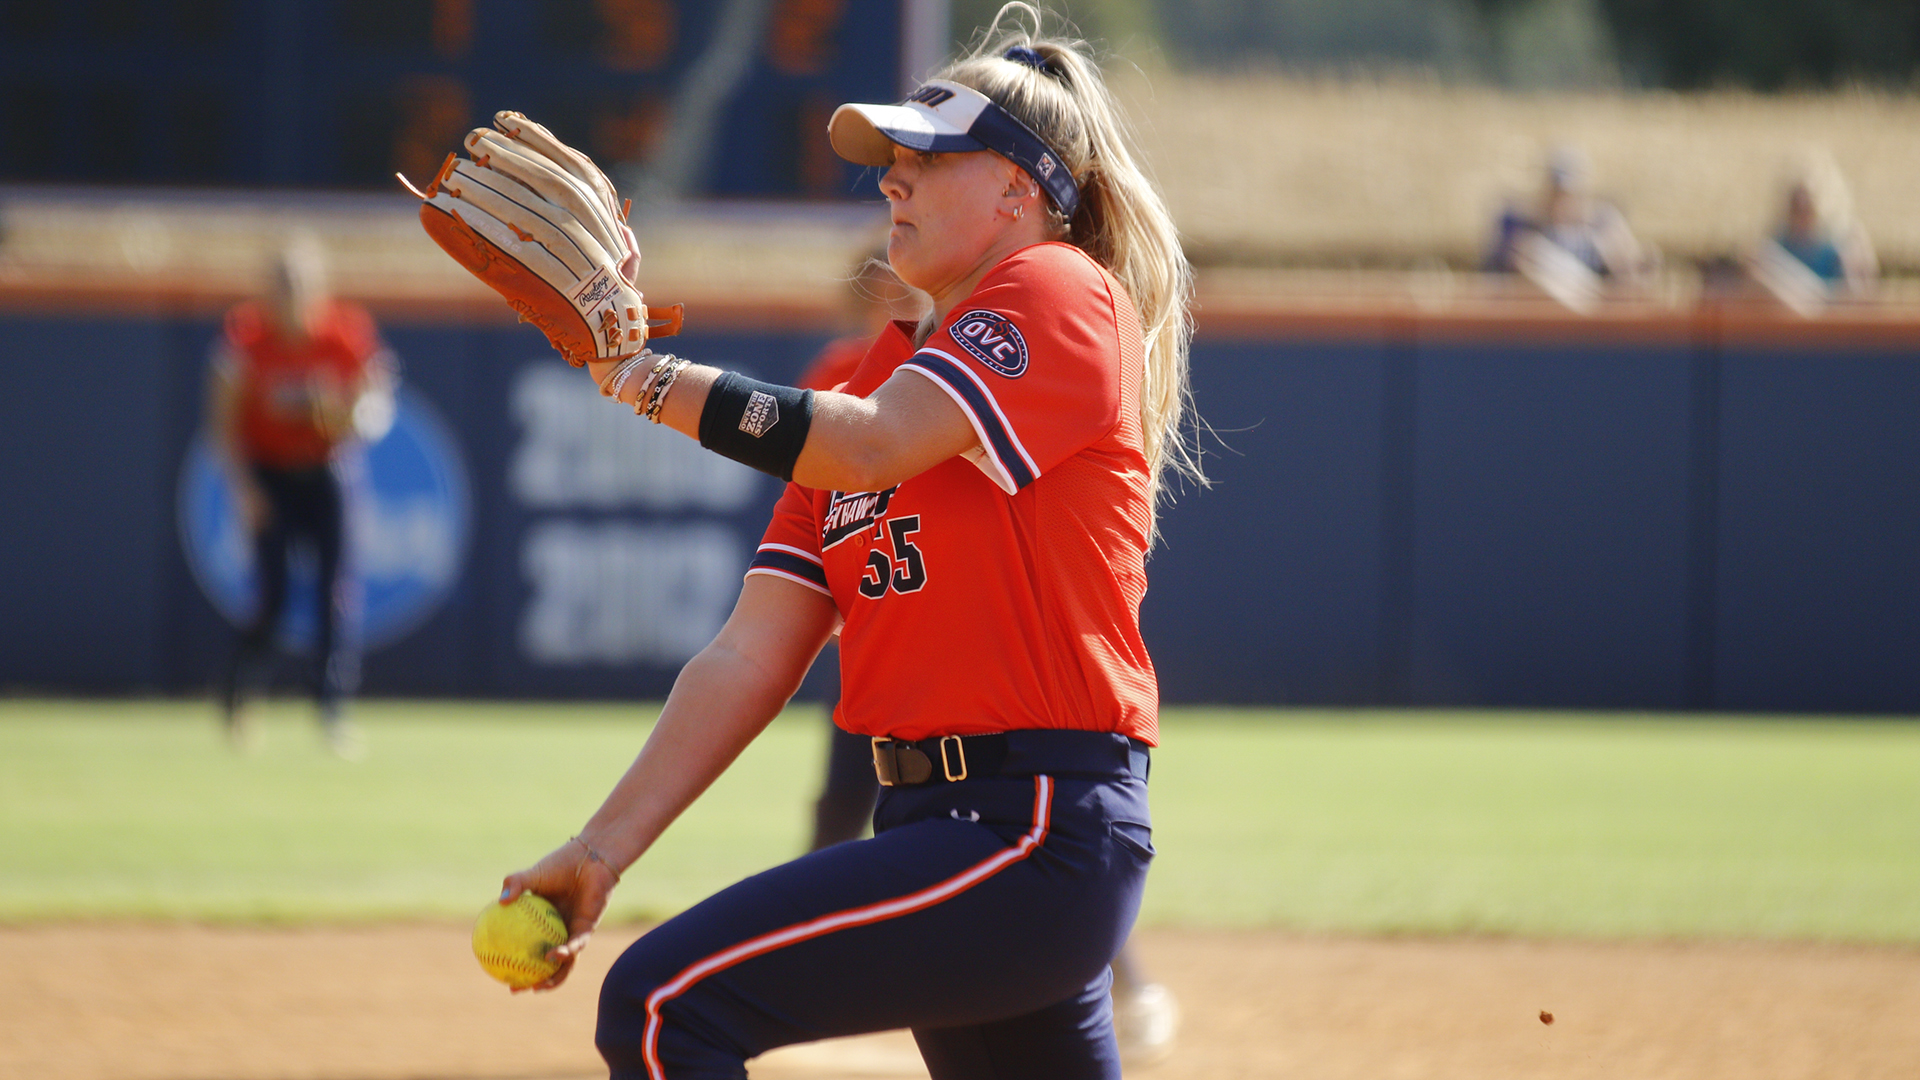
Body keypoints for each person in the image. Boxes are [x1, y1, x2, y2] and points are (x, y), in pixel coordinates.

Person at [493, 6, 1200, 1078]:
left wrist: (641, 377)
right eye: (889, 161)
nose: (891, 183)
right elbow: (748, 655)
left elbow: (874, 450)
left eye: (924, 157)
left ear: (1021, 192)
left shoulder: (1061, 292)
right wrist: (601, 852)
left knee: (661, 1007)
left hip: (1029, 829)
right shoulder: (852, 387)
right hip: (939, 828)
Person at [796, 253, 1183, 1065]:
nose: (903, 299)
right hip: (882, 665)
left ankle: (1127, 977)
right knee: (844, 805)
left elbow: (891, 450)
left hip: (1002, 685)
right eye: (887, 289)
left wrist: (645, 378)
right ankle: (819, 957)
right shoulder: (843, 373)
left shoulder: (1008, 341)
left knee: (1046, 865)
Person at [210, 235, 394, 759]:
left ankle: (331, 709)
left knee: (334, 593)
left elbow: (374, 403)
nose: (289, 296)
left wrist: (348, 415)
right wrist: (243, 488)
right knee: (272, 595)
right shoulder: (246, 338)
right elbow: (222, 423)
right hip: (269, 474)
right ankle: (240, 700)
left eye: (298, 285)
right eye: (281, 285)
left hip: (325, 468)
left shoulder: (344, 334)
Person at [1484, 146, 1647, 310]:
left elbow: (1635, 274)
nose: (1562, 202)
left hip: (1595, 317)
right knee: (1534, 252)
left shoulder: (1602, 224)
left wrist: (1621, 258)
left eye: (1569, 194)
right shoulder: (1523, 228)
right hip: (1539, 316)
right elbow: (1496, 276)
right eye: (1556, 193)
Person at [1745, 149, 1877, 309]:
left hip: (1829, 318)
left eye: (1807, 206)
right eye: (1796, 206)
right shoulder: (1774, 248)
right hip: (1794, 320)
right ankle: (1813, 305)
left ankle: (1814, 306)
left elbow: (1859, 294)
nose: (1802, 213)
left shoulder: (1835, 248)